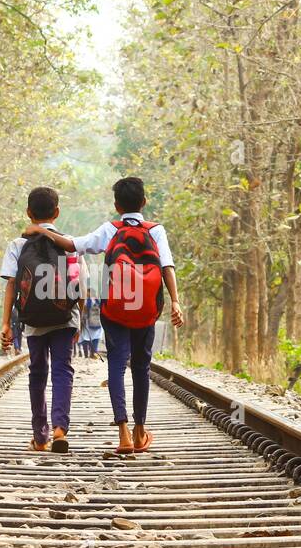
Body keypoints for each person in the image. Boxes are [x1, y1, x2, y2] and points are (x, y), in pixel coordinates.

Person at [24, 177, 183, 454]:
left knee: (116, 366)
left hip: (115, 308)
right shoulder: (156, 231)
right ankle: (140, 430)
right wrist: (176, 302)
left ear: (116, 205)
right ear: (144, 202)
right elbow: (167, 266)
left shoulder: (110, 229)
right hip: (146, 310)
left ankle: (122, 432)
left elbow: (74, 245)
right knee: (142, 368)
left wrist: (44, 232)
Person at [0, 187, 79, 453]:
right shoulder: (68, 243)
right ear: (57, 212)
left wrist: (6, 324)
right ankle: (60, 430)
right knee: (62, 371)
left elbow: (12, 284)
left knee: (38, 373)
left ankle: (40, 436)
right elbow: (80, 285)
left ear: (28, 213)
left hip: (33, 320)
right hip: (64, 319)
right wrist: (76, 319)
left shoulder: (18, 245)